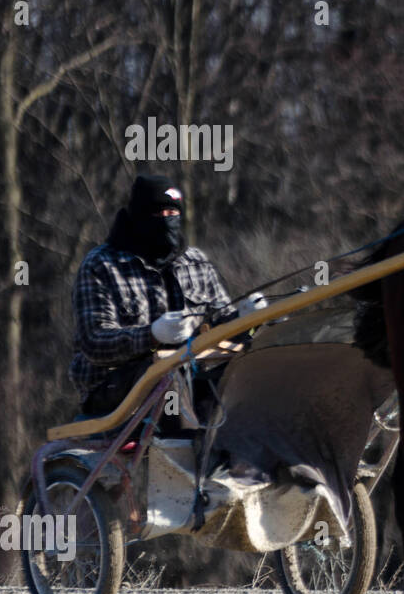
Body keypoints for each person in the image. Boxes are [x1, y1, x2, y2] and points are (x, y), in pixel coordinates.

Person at [69, 174, 264, 421]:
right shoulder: (101, 266)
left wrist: (245, 319)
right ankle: (182, 453)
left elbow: (220, 323)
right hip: (113, 384)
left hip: (191, 374)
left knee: (244, 373)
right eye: (157, 214)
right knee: (171, 376)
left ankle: (246, 455)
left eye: (172, 215)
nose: (166, 222)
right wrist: (152, 335)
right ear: (136, 218)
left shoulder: (196, 262)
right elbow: (93, 343)